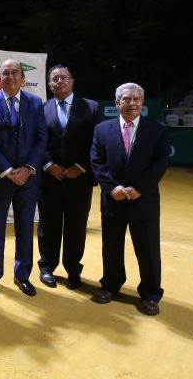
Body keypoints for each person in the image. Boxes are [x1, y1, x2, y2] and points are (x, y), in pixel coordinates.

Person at [90, 82, 169, 316]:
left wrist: (140, 188)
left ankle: (151, 293)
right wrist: (112, 187)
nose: (131, 103)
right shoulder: (102, 129)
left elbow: (161, 162)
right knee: (111, 246)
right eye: (126, 99)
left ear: (142, 102)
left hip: (143, 199)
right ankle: (110, 285)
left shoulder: (157, 129)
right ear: (117, 103)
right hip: (113, 199)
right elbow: (96, 161)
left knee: (148, 248)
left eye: (136, 99)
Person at [0, 59, 46, 298]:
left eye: (15, 73)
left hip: (28, 180)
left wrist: (28, 169)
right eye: (5, 73)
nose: (10, 77)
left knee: (25, 229)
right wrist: (8, 171)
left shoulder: (35, 103)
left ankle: (23, 276)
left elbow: (41, 139)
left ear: (23, 78)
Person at [37, 65, 102, 290]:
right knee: (48, 224)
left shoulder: (92, 107)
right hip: (50, 178)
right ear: (49, 85)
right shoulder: (41, 109)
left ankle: (73, 269)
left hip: (79, 179)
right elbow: (37, 141)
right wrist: (48, 164)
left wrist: (80, 166)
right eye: (55, 79)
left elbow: (97, 142)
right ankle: (47, 267)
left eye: (63, 77)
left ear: (72, 81)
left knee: (76, 226)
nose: (59, 81)